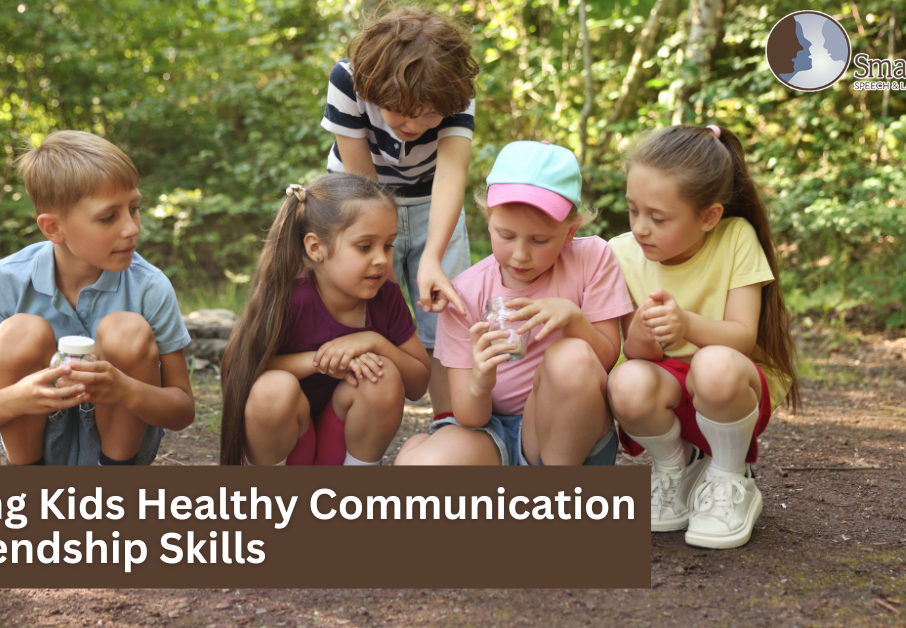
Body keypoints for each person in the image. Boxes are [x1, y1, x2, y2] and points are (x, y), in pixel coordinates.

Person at [607, 124, 800, 549]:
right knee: (625, 382)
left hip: (730, 385)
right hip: (667, 386)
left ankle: (731, 478)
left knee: (715, 364)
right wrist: (640, 333)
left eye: (658, 218)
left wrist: (687, 324)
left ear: (709, 216)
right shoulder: (620, 254)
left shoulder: (735, 239)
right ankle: (677, 467)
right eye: (633, 210)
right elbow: (634, 355)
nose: (640, 228)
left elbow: (742, 338)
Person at [0, 130, 194, 465]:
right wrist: (18, 398)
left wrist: (125, 389)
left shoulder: (149, 286)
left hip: (125, 442)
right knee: (20, 332)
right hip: (31, 437)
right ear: (53, 228)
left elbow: (182, 410)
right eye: (109, 216)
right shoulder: (5, 281)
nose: (132, 228)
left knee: (126, 330)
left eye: (135, 208)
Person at [395, 141, 632, 466]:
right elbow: (469, 416)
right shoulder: (465, 292)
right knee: (420, 466)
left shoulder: (591, 258)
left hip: (568, 435)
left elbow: (604, 360)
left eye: (539, 240)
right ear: (489, 219)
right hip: (492, 431)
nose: (520, 255)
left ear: (569, 231)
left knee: (572, 355)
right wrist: (480, 379)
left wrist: (574, 320)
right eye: (506, 236)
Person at [321, 5, 479, 418]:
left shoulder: (454, 87)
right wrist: (383, 267)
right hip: (361, 201)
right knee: (365, 312)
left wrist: (431, 259)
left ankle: (450, 425)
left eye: (429, 114)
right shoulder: (349, 80)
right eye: (400, 111)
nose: (414, 124)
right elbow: (364, 182)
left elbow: (450, 175)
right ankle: (348, 421)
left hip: (434, 204)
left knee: (446, 319)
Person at [219, 174, 431, 466]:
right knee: (273, 388)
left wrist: (375, 343)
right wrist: (324, 361)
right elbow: (240, 368)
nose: (382, 260)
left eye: (388, 245)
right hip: (286, 441)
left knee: (382, 375)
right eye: (365, 246)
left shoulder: (387, 297)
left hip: (343, 438)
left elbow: (419, 384)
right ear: (316, 248)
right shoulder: (288, 297)